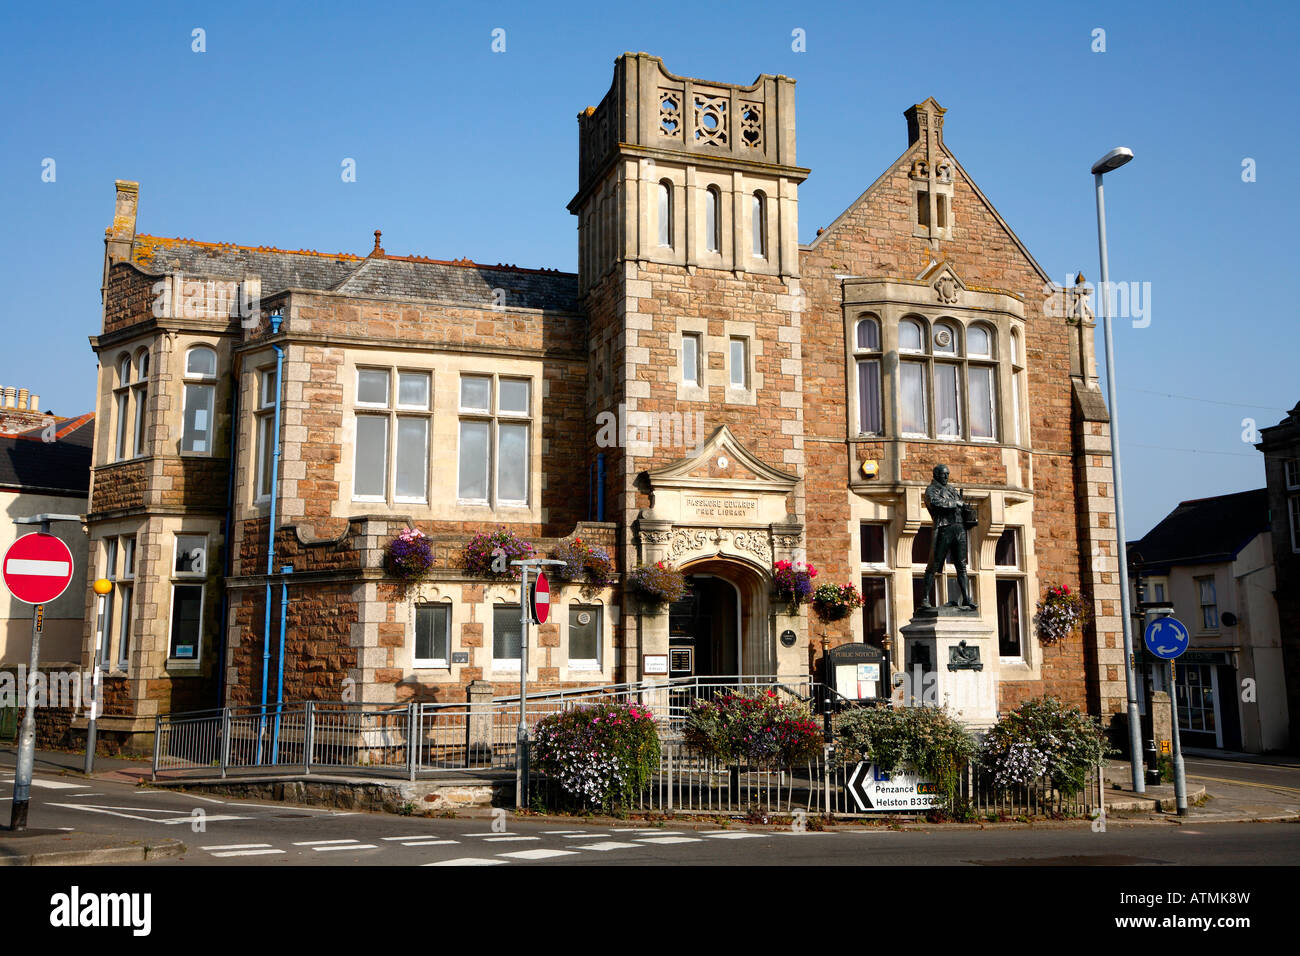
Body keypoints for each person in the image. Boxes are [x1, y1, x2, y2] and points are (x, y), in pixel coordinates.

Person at [920, 464, 977, 610]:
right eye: (943, 474)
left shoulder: (952, 489)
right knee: (934, 564)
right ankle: (925, 598)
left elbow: (961, 505)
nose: (946, 476)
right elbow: (935, 503)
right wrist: (955, 503)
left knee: (961, 566)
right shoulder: (931, 490)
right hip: (944, 528)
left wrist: (967, 511)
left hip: (959, 528)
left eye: (947, 474)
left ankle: (966, 598)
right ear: (936, 474)